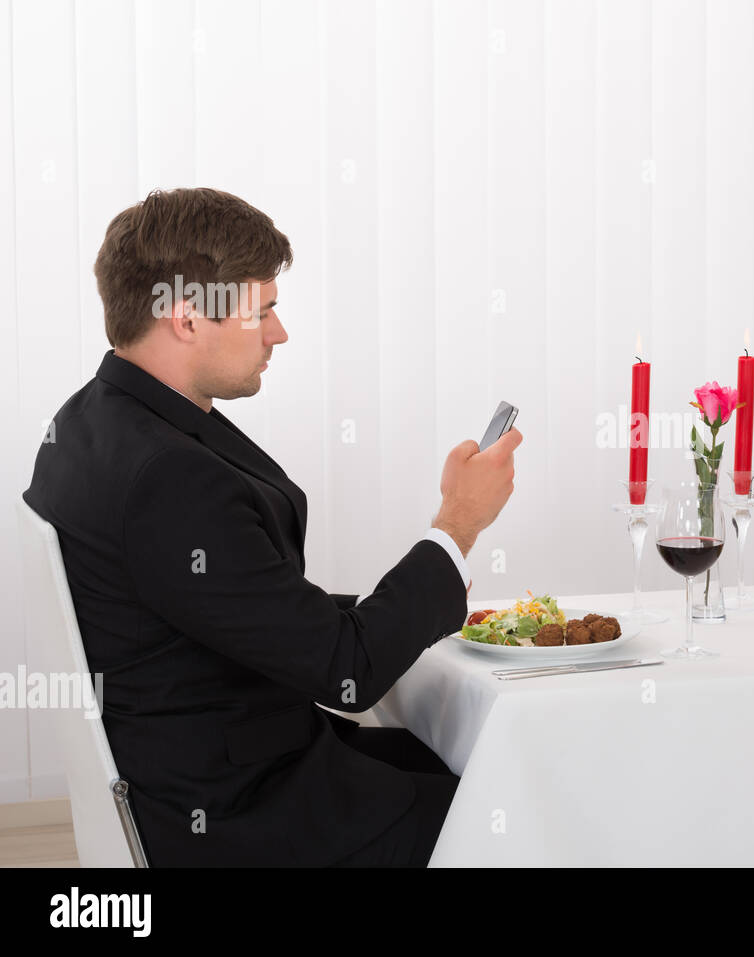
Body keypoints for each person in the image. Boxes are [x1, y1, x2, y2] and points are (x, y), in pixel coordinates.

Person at [23, 187, 520, 866]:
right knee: (520, 804)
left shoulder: (87, 423)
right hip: (240, 815)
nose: (278, 333)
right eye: (263, 311)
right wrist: (457, 523)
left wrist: (429, 607)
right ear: (187, 316)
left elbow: (237, 604)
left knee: (487, 763)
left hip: (211, 770)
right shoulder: (168, 477)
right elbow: (347, 673)